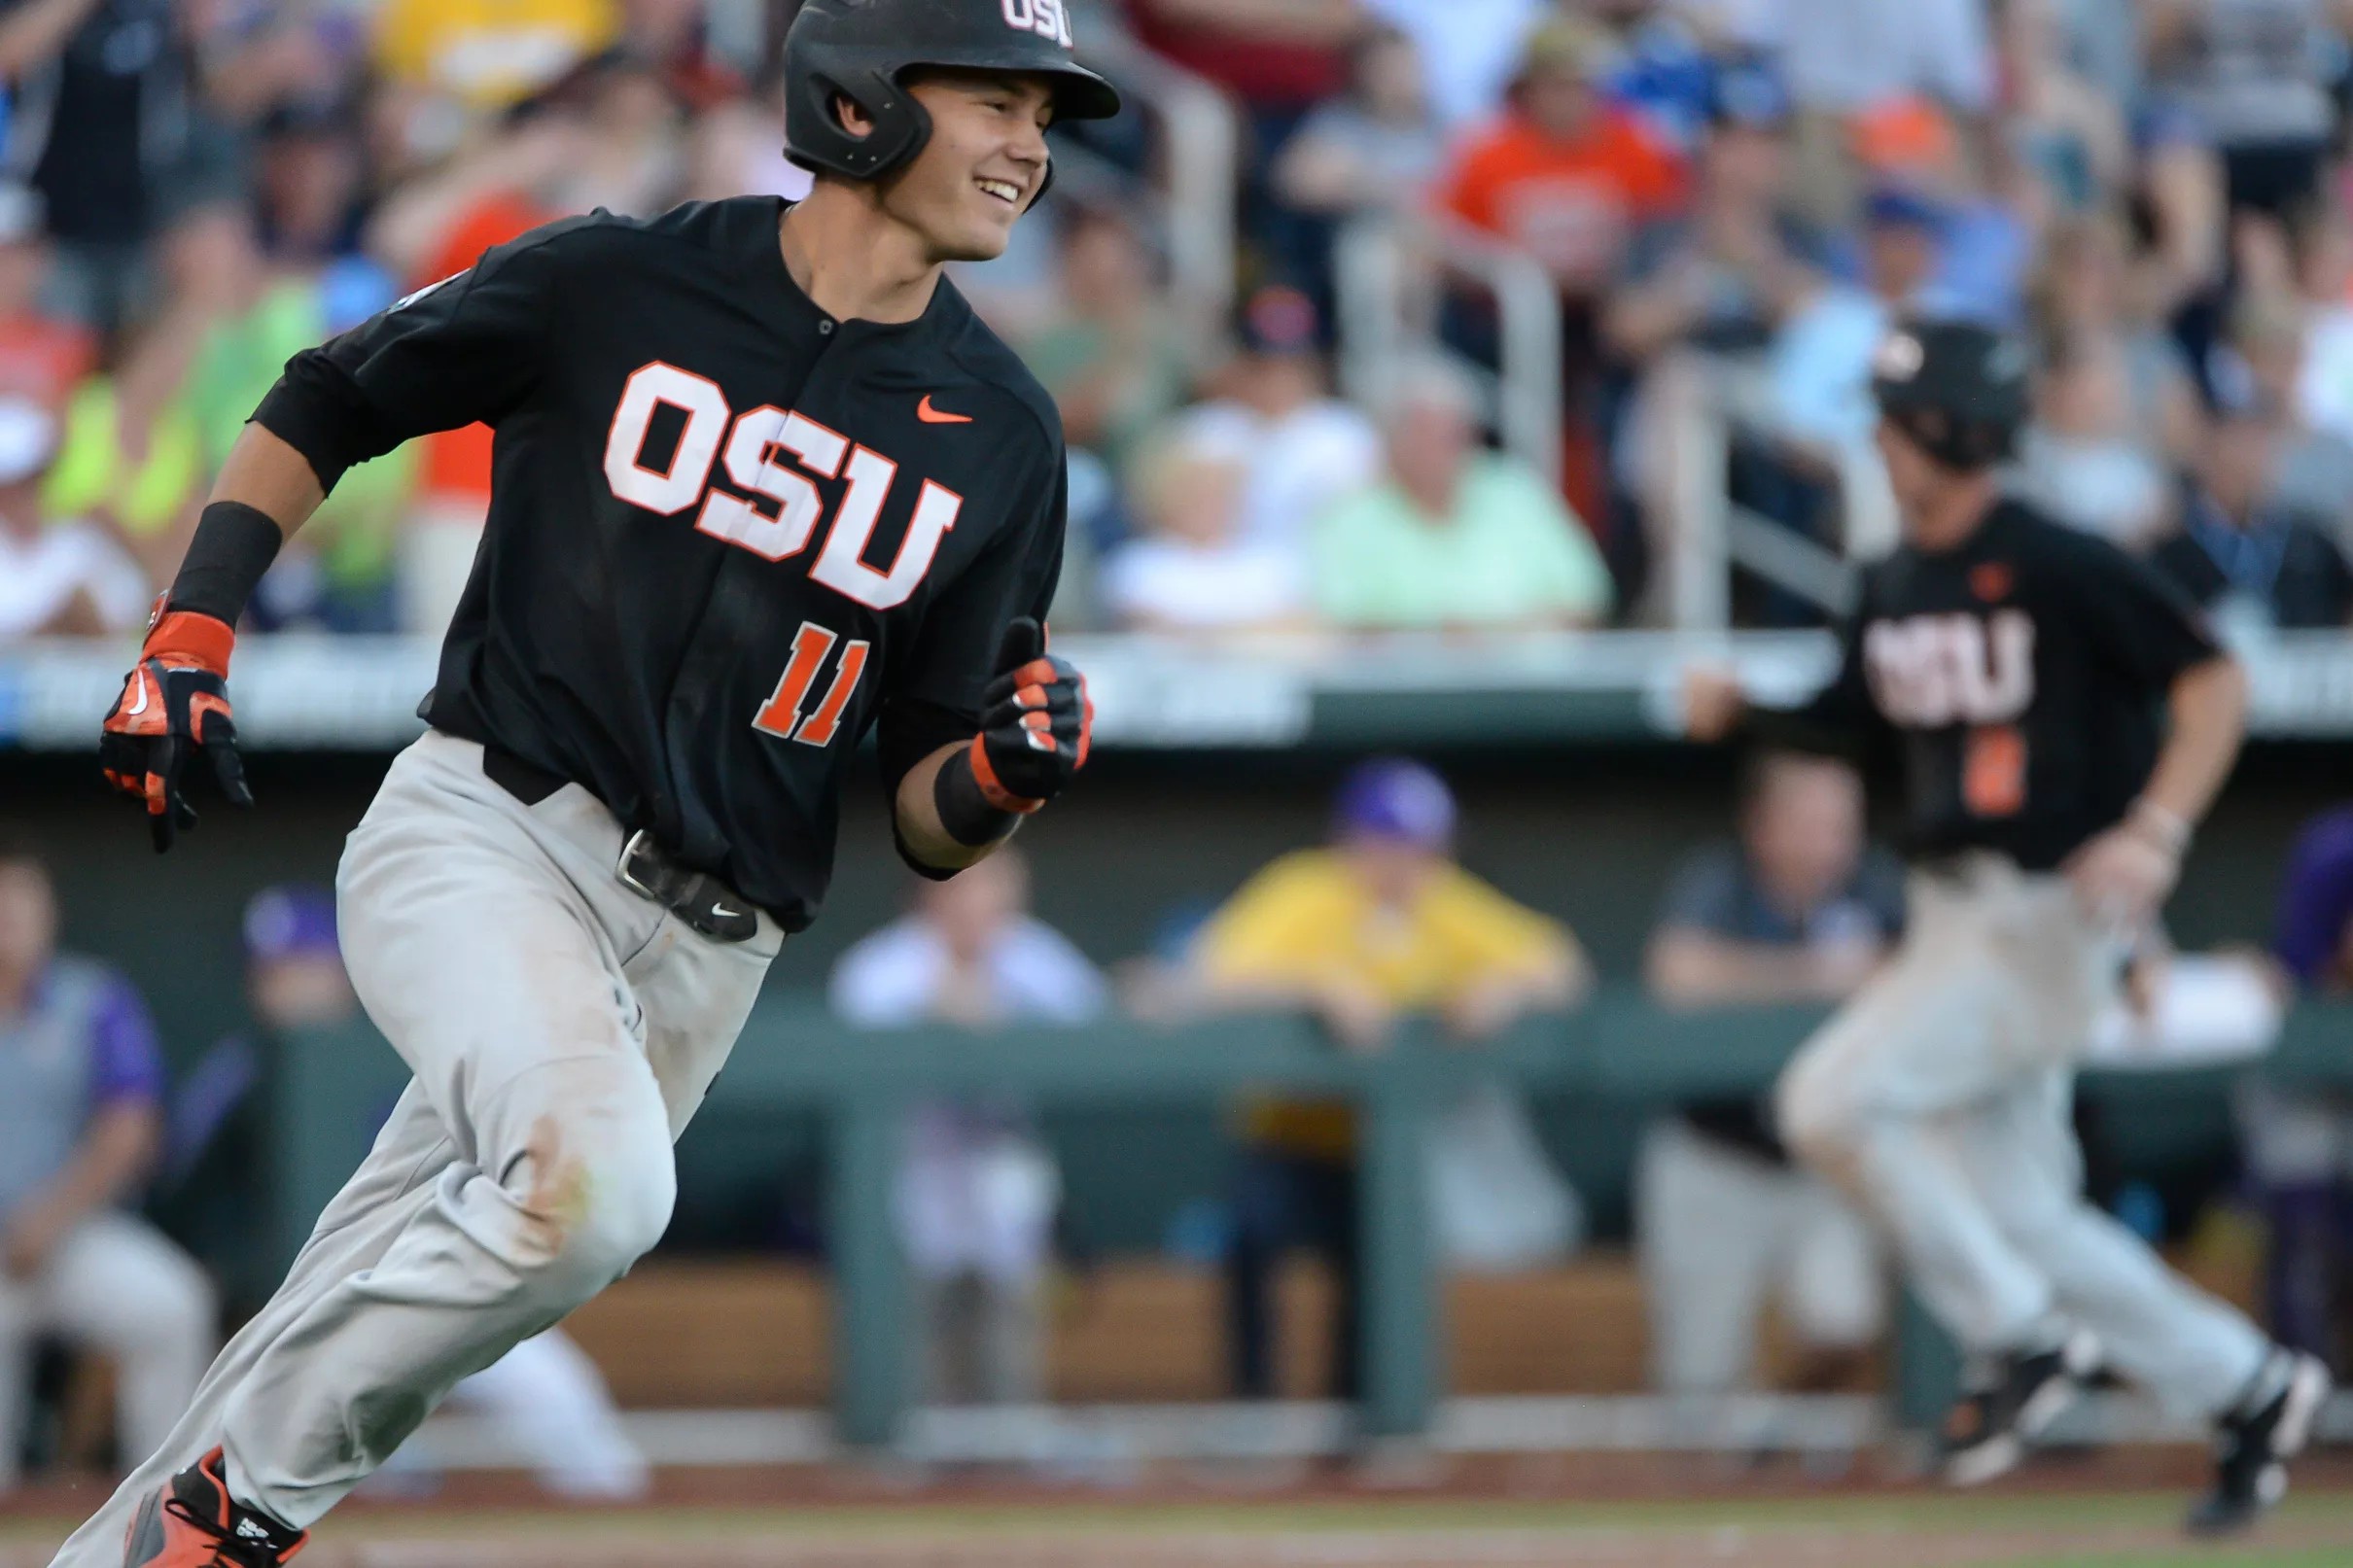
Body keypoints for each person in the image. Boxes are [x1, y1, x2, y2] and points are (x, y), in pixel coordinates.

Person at [75, 1, 1111, 1562]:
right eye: (995, 99)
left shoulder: (1007, 435)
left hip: (710, 956)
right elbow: (330, 394)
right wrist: (192, 625)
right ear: (858, 101)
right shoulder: (621, 276)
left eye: (1045, 111)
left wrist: (1006, 774)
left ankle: (152, 1536)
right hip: (491, 834)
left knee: (330, 1313)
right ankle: (259, 1506)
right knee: (597, 1197)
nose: (1031, 145)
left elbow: (926, 811)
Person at [1684, 317, 2330, 1535]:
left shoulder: (2051, 557)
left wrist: (2154, 830)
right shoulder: (1889, 577)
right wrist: (1749, 717)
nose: (1876, 442)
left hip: (2040, 913)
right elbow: (1852, 727)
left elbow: (2213, 680)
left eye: (1893, 420)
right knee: (2028, 1211)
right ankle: (2245, 1384)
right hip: (1944, 914)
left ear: (1950, 426)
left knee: (1826, 1100)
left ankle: (2018, 1337)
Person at [162, 887, 651, 1502]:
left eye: (306, 966)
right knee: (381, 1477)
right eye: (274, 973)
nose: (292, 988)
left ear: (342, 974)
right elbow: (179, 1204)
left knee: (564, 1406)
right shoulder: (234, 1077)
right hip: (319, 1314)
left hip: (444, 1276)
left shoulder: (410, 1055)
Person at [1189, 759, 1586, 1403]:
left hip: (1383, 1146)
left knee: (1382, 1270)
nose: (1407, 864)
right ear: (1352, 840)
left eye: (1423, 847)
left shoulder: (1444, 899)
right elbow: (1208, 975)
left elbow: (1563, 963)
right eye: (1391, 843)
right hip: (1288, 1133)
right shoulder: (1307, 889)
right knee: (1253, 1240)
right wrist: (1315, 982)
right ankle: (1253, 1412)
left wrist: (1506, 985)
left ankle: (1364, 1423)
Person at [1638, 749, 1901, 1407]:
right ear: (1764, 825)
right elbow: (1677, 971)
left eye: (1841, 823)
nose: (1829, 841)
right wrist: (1811, 974)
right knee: (1698, 1380)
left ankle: (1772, 1425)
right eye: (1810, 822)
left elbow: (1920, 975)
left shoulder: (1874, 885)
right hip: (1717, 1152)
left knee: (1844, 1325)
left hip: (1827, 1158)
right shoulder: (1720, 880)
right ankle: (1728, 1460)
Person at [830, 850, 1107, 1407]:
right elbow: (859, 1024)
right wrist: (945, 1012)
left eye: (1001, 888)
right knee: (914, 1345)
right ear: (934, 892)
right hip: (910, 1173)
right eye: (974, 886)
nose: (988, 903)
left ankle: (1008, 1463)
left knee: (1008, 1343)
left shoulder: (1031, 953)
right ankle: (902, 1464)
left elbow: (1095, 1022)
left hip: (1003, 1168)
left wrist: (999, 1017)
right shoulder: (885, 963)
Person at [0, 835, 213, 1493]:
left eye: (24, 905)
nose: (13, 922)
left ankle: (165, 1509)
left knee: (171, 1304)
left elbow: (132, 1125)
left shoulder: (89, 997)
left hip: (68, 1235)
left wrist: (52, 1216)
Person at [1311, 359, 1613, 632]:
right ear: (1391, 440)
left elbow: (1586, 596)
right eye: (1423, 433)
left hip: (1525, 684)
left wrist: (1501, 637)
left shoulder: (1514, 491)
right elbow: (1338, 619)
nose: (1439, 449)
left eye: (1451, 434)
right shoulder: (1352, 514)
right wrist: (1439, 637)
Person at [2147, 402, 2353, 633]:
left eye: (2259, 445)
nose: (2249, 462)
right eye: (2237, 446)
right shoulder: (2172, 554)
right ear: (2207, 455)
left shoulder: (2312, 543)